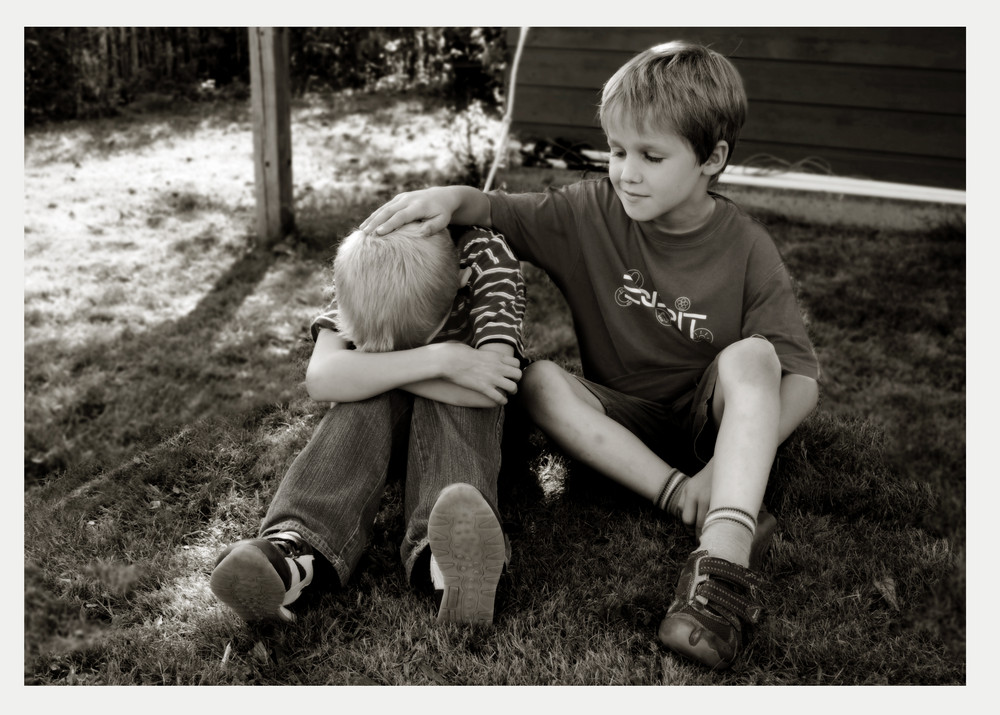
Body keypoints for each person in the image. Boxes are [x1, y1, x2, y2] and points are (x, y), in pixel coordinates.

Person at [359, 41, 820, 669]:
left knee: (755, 357)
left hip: (716, 425)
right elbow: (496, 210)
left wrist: (725, 467)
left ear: (711, 160)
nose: (627, 171)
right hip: (623, 417)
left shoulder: (746, 247)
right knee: (541, 379)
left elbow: (802, 381)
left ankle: (722, 567)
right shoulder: (589, 211)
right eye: (618, 150)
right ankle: (675, 495)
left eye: (652, 156)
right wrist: (449, 197)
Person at [209, 222, 526, 626]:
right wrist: (440, 359)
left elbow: (491, 389)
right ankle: (293, 555)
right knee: (363, 401)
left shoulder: (487, 263)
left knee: (417, 397)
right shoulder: (366, 275)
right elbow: (322, 379)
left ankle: (447, 558)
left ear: (459, 283)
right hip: (392, 427)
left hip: (481, 428)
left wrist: (376, 366)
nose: (397, 354)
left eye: (410, 343)